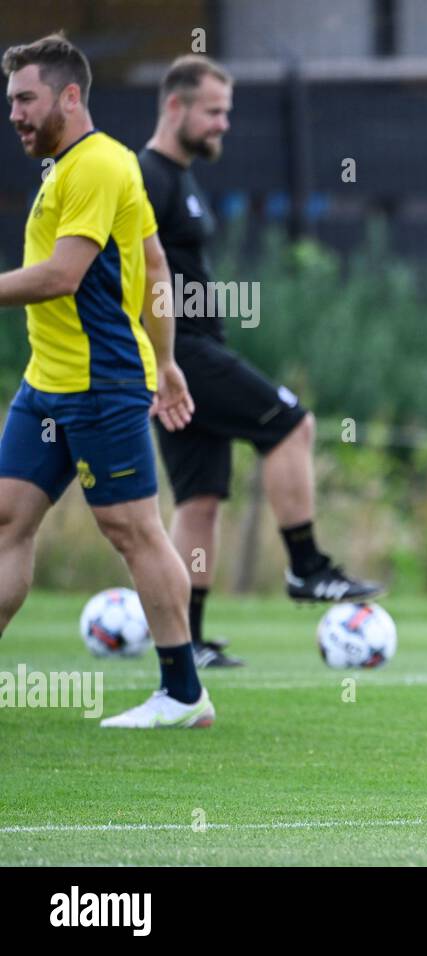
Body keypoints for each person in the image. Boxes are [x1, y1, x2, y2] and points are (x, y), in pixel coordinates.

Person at [139, 54, 381, 668]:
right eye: (214, 112)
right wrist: (154, 356)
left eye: (227, 112)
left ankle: (186, 641)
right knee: (290, 423)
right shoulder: (150, 177)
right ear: (176, 106)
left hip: (189, 352)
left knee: (199, 501)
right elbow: (127, 269)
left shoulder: (181, 177)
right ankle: (306, 567)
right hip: (182, 354)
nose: (224, 124)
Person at [0, 33, 212, 728]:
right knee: (7, 520)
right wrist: (171, 361)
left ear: (69, 96)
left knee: (132, 530)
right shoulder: (72, 167)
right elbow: (152, 267)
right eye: (10, 103)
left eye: (26, 99)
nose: (15, 115)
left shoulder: (95, 166)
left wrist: (155, 364)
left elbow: (63, 275)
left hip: (100, 382)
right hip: (47, 383)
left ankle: (184, 694)